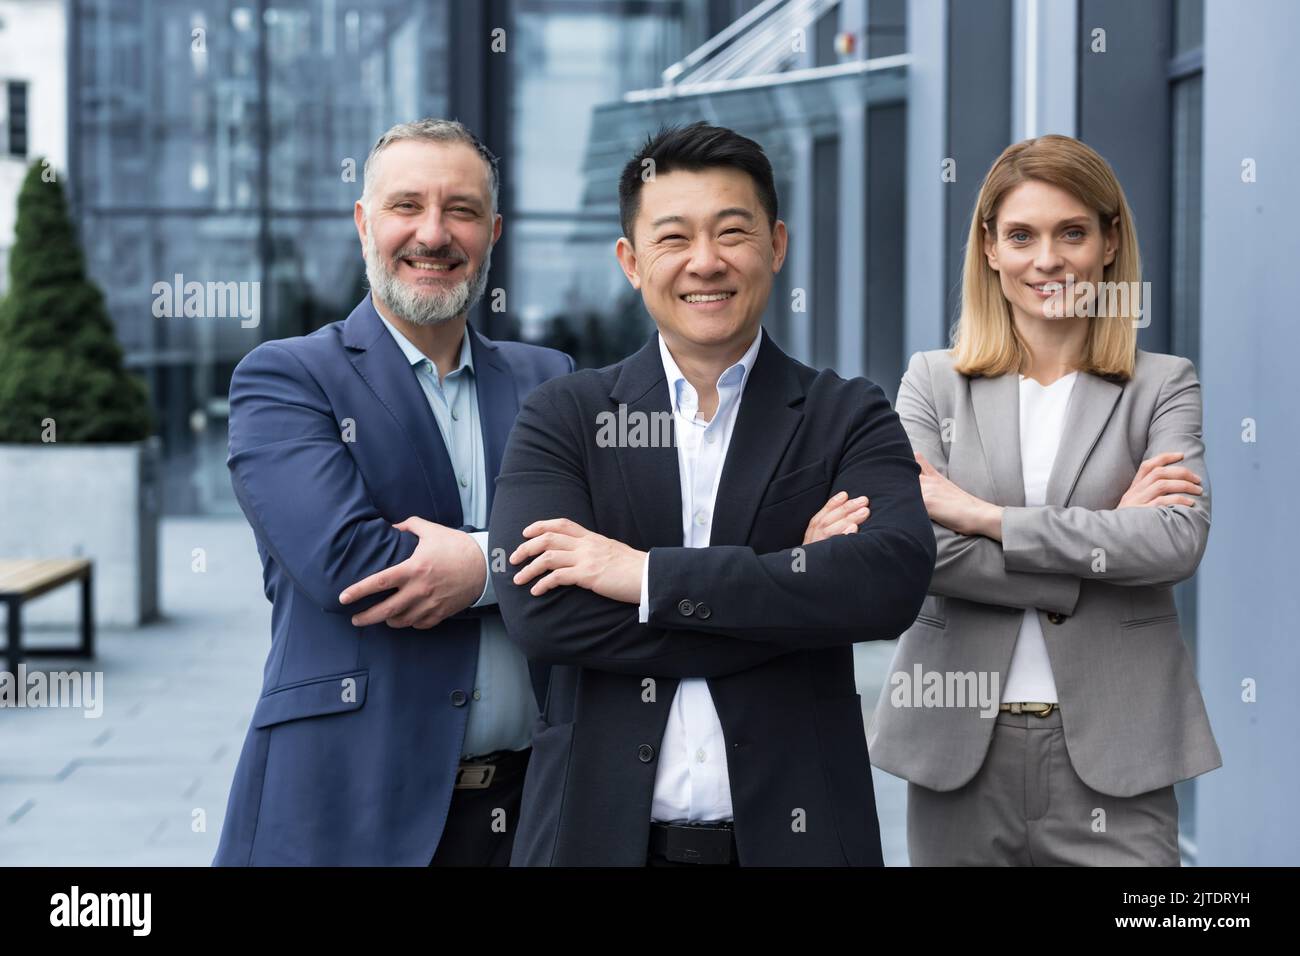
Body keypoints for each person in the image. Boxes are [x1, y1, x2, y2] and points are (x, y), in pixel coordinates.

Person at [488, 122, 936, 867]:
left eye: (733, 232)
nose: (706, 262)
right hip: (595, 839)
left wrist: (643, 576)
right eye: (674, 238)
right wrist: (790, 578)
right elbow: (541, 612)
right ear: (632, 261)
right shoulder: (565, 414)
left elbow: (888, 584)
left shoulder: (848, 413)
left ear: (777, 245)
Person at [213, 119, 573, 866]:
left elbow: (610, 550)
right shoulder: (287, 378)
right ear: (364, 223)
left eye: (462, 210)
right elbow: (351, 564)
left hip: (533, 812)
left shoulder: (552, 382)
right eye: (407, 206)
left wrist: (476, 565)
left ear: (493, 231)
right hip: (346, 810)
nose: (433, 234)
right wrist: (515, 562)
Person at [868, 134, 1221, 866]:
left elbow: (1176, 541)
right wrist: (1103, 542)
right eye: (1022, 235)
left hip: (1118, 755)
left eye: (1072, 233)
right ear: (990, 248)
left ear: (1110, 242)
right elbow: (916, 547)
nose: (1048, 260)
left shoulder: (1163, 384)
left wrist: (985, 517)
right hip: (959, 745)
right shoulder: (933, 383)